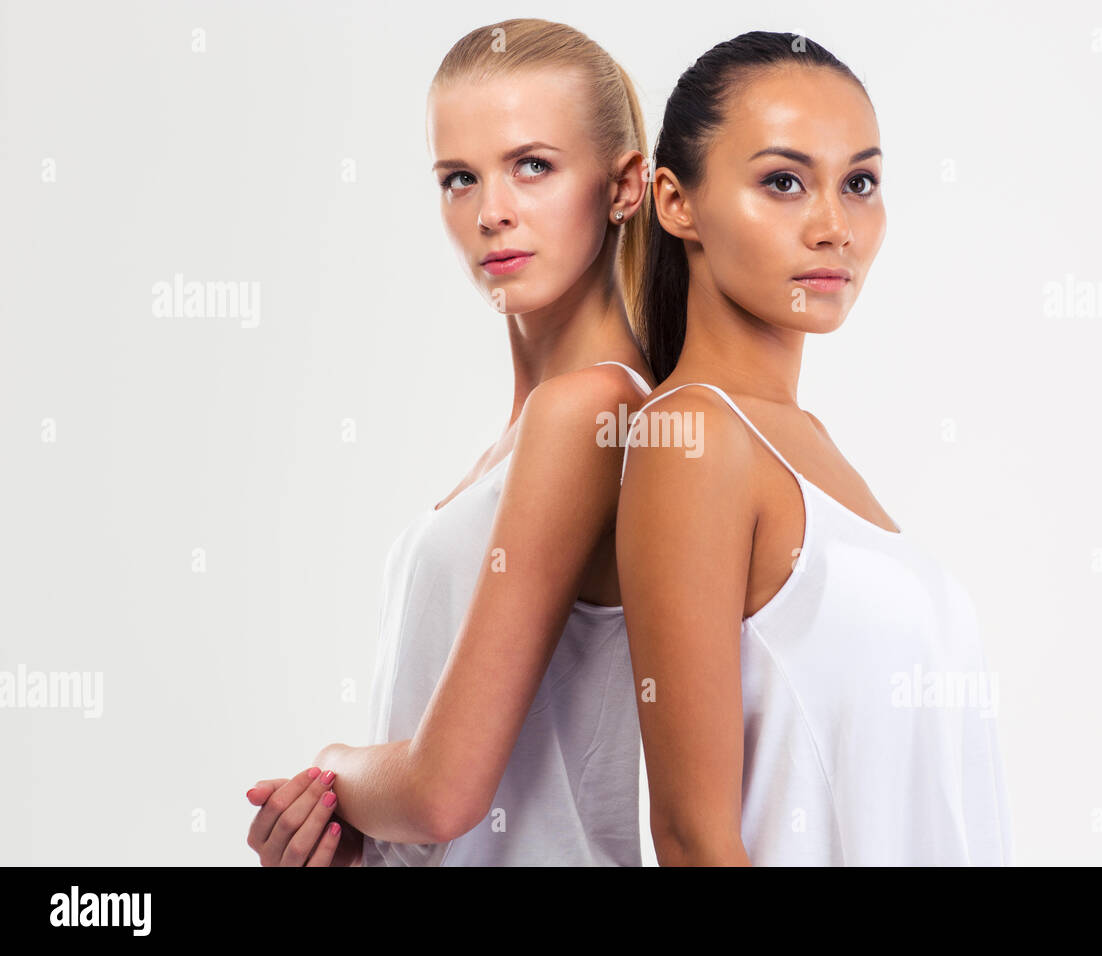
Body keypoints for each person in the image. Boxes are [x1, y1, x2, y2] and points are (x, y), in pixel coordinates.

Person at [245, 17, 655, 866]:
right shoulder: (527, 436)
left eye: (532, 166)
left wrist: (328, 773)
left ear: (623, 187)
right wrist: (352, 845)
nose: (491, 213)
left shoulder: (590, 413)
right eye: (458, 178)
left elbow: (442, 793)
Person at [616, 31, 1013, 866]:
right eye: (785, 182)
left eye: (860, 182)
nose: (836, 226)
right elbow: (693, 836)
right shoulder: (694, 438)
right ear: (675, 201)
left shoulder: (804, 444)